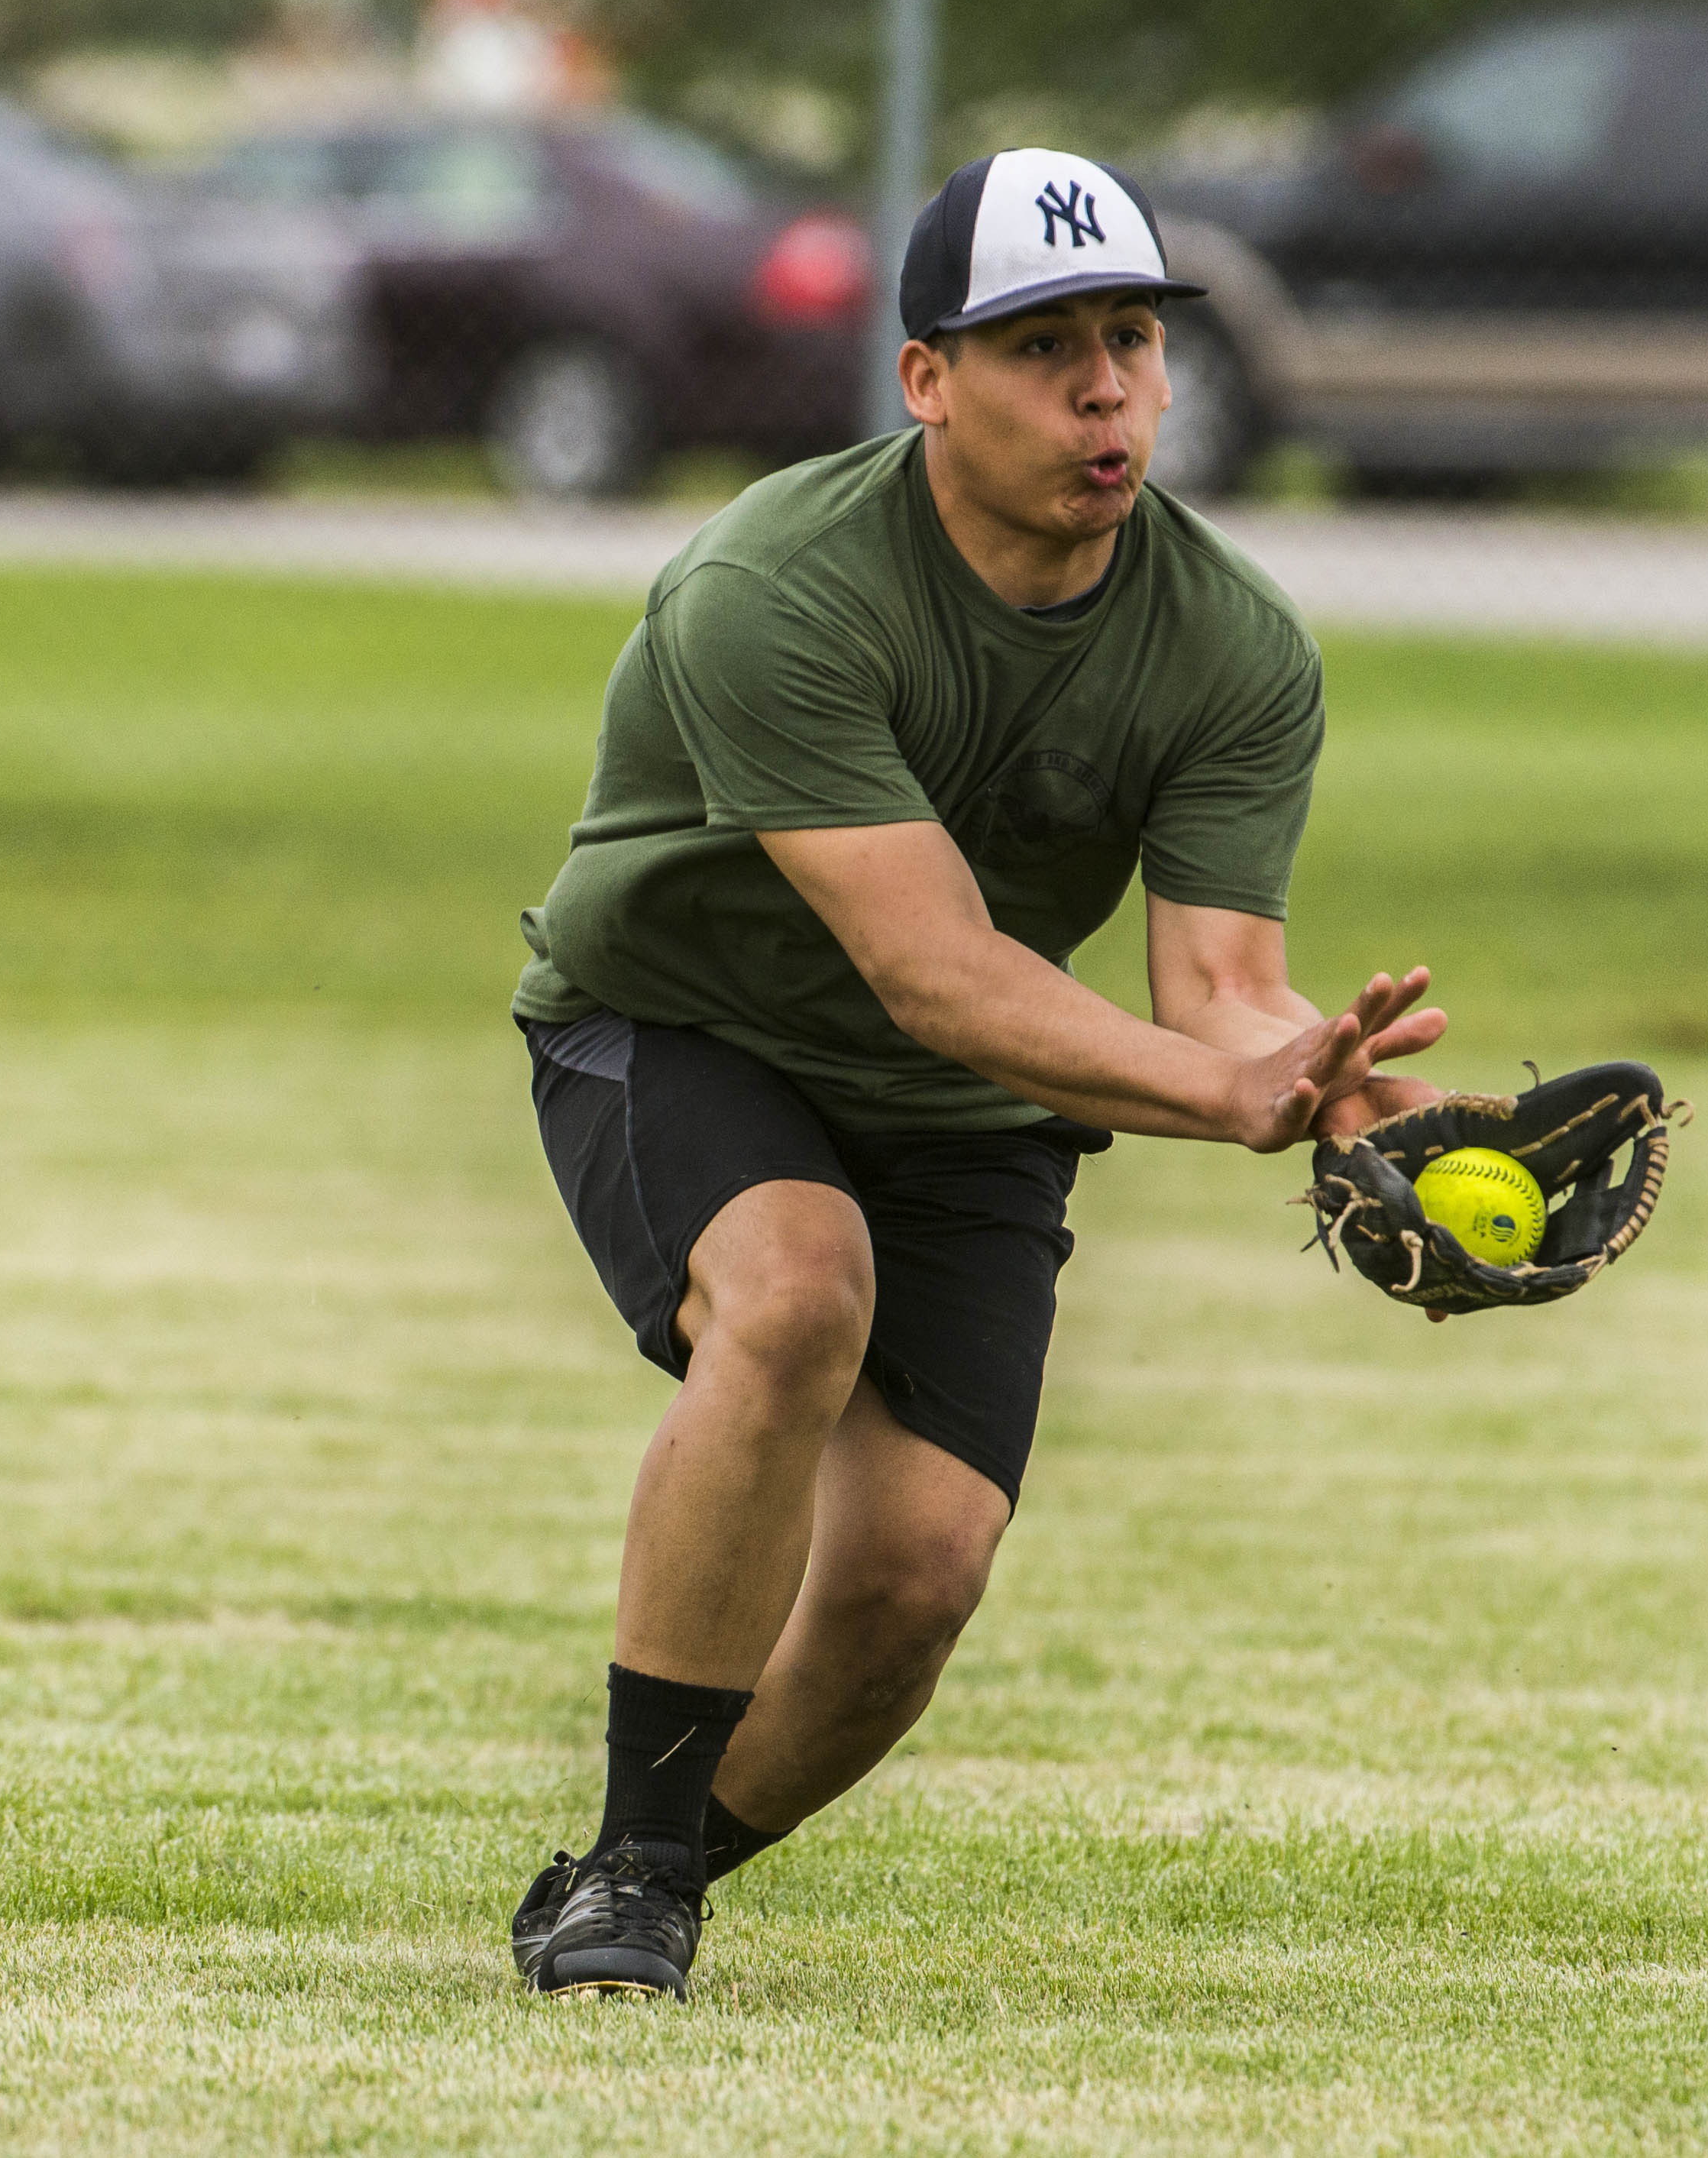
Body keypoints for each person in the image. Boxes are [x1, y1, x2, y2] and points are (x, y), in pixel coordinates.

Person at [506, 148, 1442, 1998]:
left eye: (1131, 338)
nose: (1105, 390)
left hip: (966, 1110)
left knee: (913, 1582)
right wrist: (1231, 1097)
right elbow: (930, 970)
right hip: (685, 1020)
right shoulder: (771, 587)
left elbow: (1223, 991)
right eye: (1039, 348)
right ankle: (633, 1878)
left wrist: (1345, 1095)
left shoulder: (1231, 647)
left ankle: (641, 1868)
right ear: (924, 377)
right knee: (792, 1295)